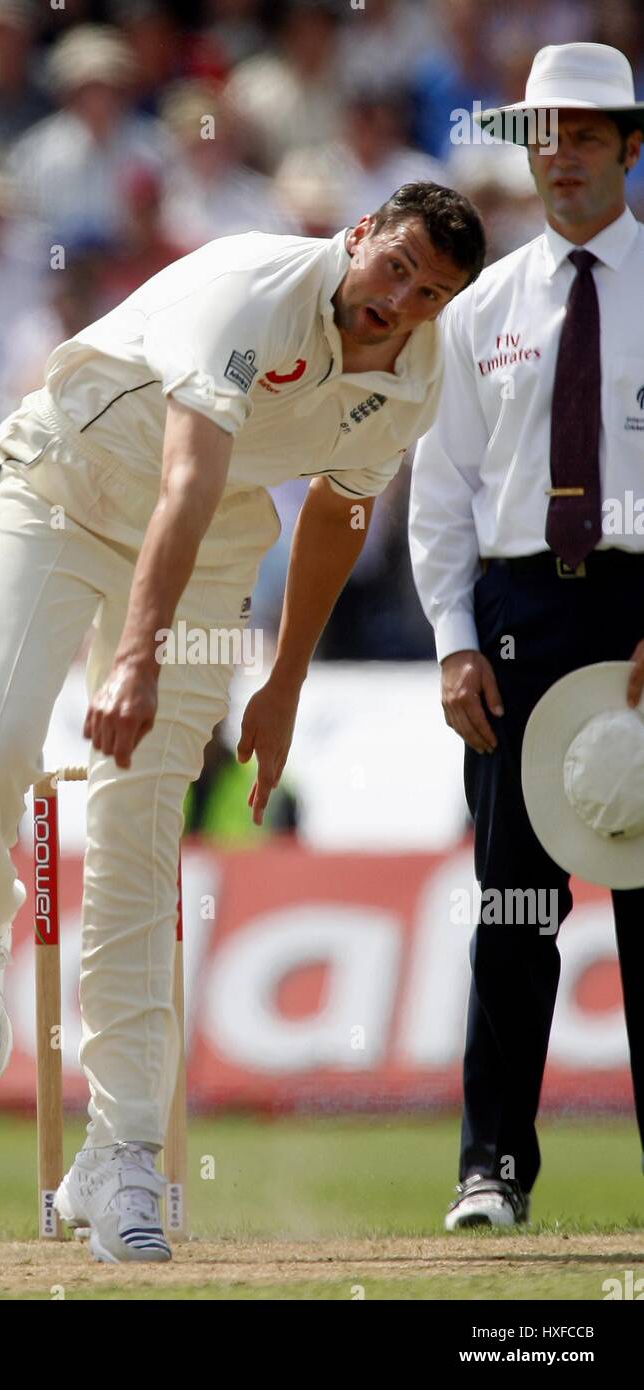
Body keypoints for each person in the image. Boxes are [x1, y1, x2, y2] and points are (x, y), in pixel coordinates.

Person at [0, 181, 484, 1262]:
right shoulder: (249, 287)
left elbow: (337, 507)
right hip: (63, 487)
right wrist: (129, 658)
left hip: (213, 543)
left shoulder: (415, 372)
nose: (400, 300)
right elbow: (184, 471)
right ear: (357, 231)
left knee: (140, 825)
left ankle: (121, 1149)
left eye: (430, 292)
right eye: (395, 266)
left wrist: (281, 683)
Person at [408, 43, 644, 1231]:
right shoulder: (483, 305)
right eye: (547, 134)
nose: (563, 156)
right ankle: (488, 1167)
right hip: (517, 612)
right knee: (511, 903)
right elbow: (440, 489)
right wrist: (453, 639)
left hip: (640, 602)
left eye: (588, 135)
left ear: (628, 148)